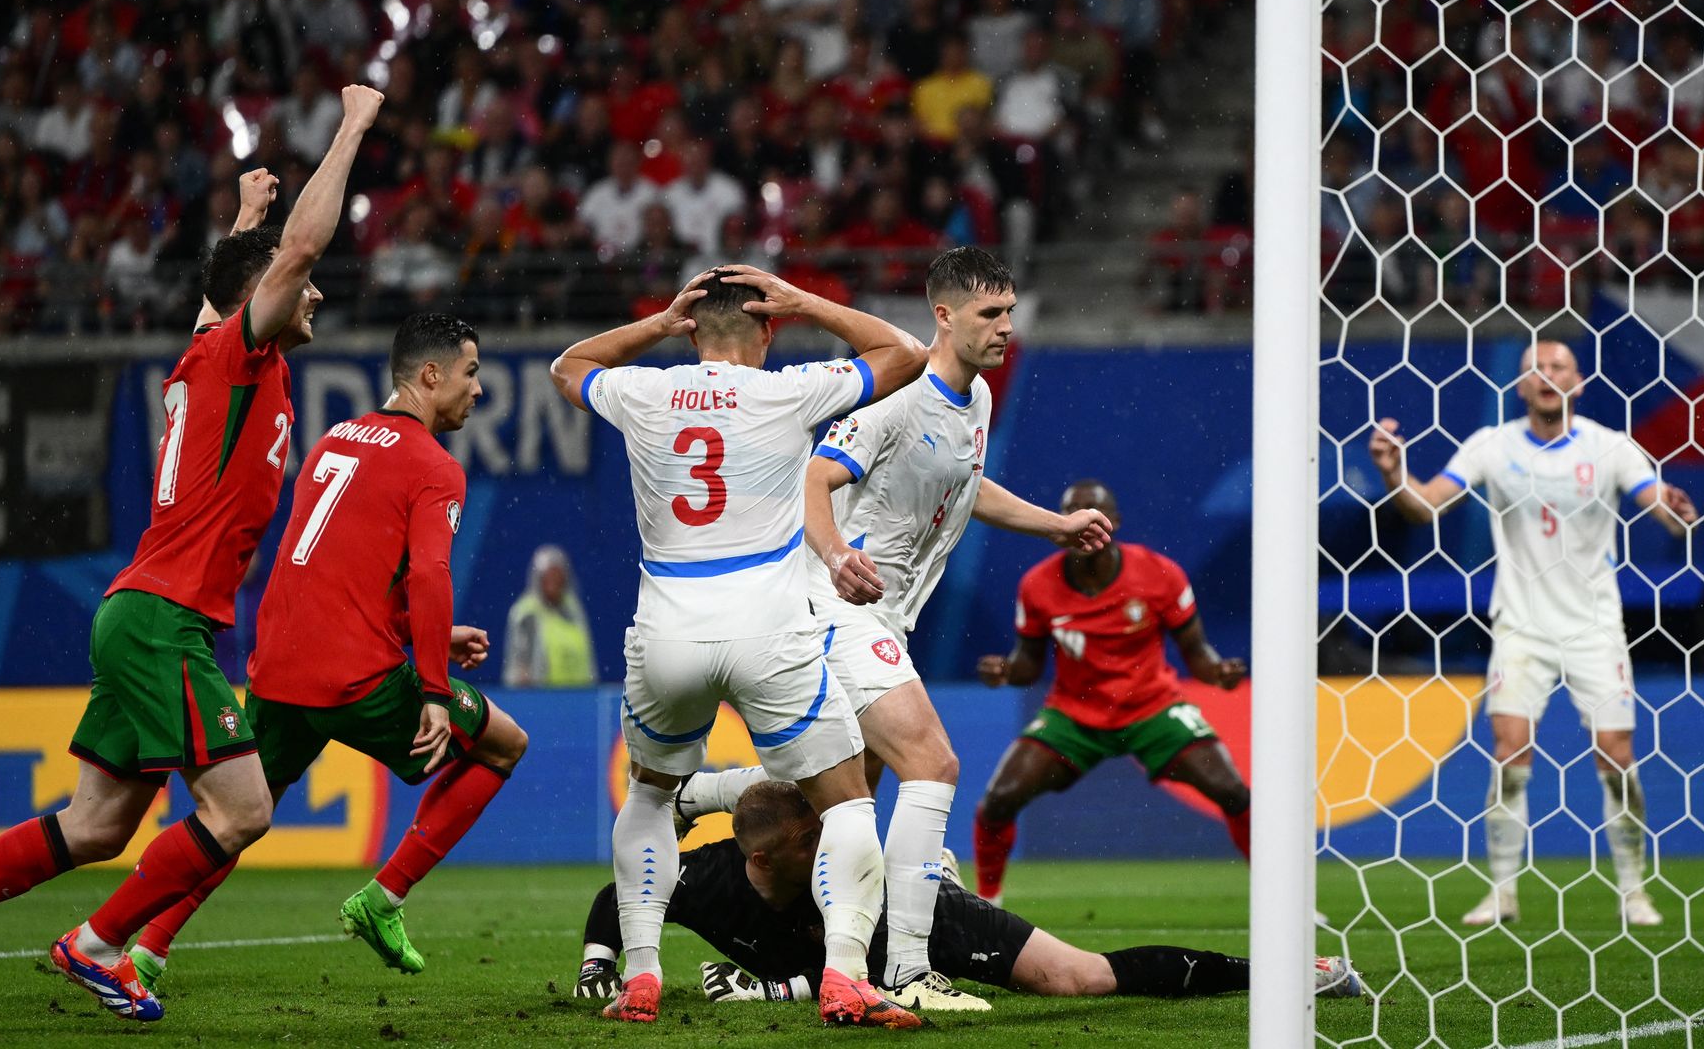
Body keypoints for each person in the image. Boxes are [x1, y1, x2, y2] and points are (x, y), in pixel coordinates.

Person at [0, 84, 383, 1024]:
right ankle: (97, 945)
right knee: (244, 810)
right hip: (162, 619)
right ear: (259, 298)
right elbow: (299, 253)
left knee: (97, 825)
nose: (317, 291)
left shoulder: (214, 357)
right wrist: (352, 128)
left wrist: (245, 216)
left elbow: (229, 293)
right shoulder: (243, 357)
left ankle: (94, 936)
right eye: (297, 286)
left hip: (142, 610)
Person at [672, 247, 1111, 1011]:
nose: (1007, 327)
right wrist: (837, 554)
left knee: (832, 816)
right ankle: (910, 968)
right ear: (943, 317)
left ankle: (782, 953)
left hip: (879, 619)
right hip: (837, 610)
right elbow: (816, 476)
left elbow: (967, 486)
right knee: (933, 766)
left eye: (1009, 311)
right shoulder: (896, 400)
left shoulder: (970, 404)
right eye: (990, 314)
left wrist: (1055, 526)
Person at [548, 267, 928, 1027]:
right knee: (847, 797)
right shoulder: (789, 391)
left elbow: (570, 367)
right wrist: (807, 302)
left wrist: (656, 324)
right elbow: (906, 353)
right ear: (767, 328)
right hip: (768, 632)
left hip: (667, 634)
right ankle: (847, 976)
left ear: (693, 331)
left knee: (653, 795)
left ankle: (644, 975)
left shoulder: (644, 394)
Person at [128, 314, 530, 990]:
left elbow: (326, 572)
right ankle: (385, 897)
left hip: (280, 670)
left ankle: (148, 943)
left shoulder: (335, 440)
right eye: (471, 372)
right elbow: (430, 576)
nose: (478, 389)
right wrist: (432, 687)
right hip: (355, 681)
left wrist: (413, 633)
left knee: (239, 811)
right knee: (505, 744)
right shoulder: (435, 467)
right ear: (430, 376)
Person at [1367, 339, 1697, 927]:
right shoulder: (1492, 446)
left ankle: (1633, 890)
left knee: (1616, 756)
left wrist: (1675, 511)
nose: (1547, 375)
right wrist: (1396, 475)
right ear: (1520, 388)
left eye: (1558, 366)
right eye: (1535, 370)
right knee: (1510, 751)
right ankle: (1502, 893)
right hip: (1520, 626)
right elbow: (1427, 505)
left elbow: (1659, 507)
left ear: (1580, 380)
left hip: (1594, 625)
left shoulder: (1610, 448)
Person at [570, 782, 1362, 1007]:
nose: (848, 832)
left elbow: (877, 972)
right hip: (849, 951)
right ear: (776, 852)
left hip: (925, 918)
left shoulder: (856, 874)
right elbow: (626, 891)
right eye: (825, 830)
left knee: (1079, 978)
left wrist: (772, 990)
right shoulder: (715, 878)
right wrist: (599, 961)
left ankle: (1289, 974)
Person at [972, 480, 1250, 904]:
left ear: (1115, 523)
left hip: (1153, 709)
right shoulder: (1037, 586)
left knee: (1233, 792)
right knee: (998, 800)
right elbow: (1028, 666)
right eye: (1072, 513)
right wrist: (1006, 671)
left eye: (1094, 512)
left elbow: (1196, 655)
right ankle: (987, 905)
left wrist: (1219, 672)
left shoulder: (1159, 573)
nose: (1083, 521)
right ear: (1060, 525)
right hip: (1073, 716)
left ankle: (1283, 904)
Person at [503, 545, 599, 687]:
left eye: (557, 576)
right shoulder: (527, 613)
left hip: (580, 698)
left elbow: (588, 660)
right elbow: (519, 668)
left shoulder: (574, 610)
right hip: (542, 699)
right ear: (538, 579)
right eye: (548, 576)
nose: (553, 583)